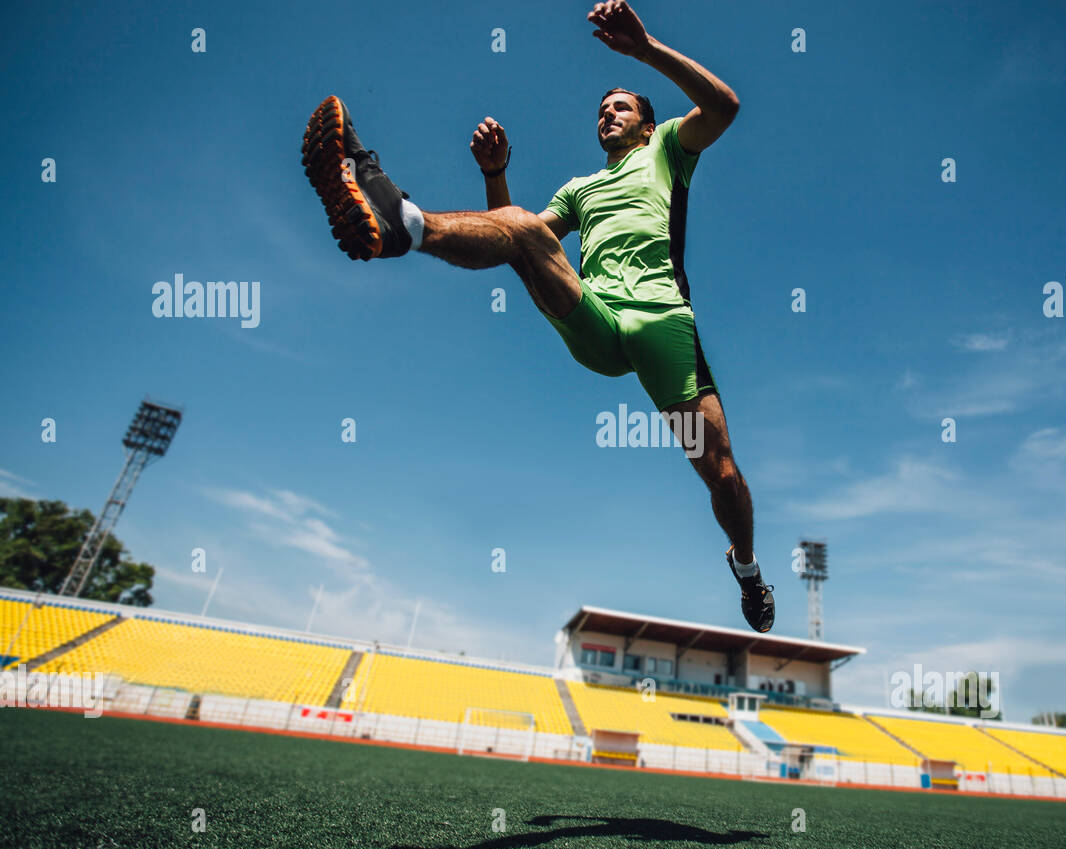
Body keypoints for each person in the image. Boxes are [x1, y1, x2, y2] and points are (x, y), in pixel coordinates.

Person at [300, 1, 773, 632]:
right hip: (597, 319)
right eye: (601, 109)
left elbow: (725, 107)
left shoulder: (667, 149)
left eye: (621, 107)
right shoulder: (579, 190)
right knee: (523, 226)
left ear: (645, 122)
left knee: (721, 474)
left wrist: (645, 49)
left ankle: (746, 567)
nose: (607, 113)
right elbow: (507, 237)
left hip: (662, 327)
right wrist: (497, 175)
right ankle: (403, 226)